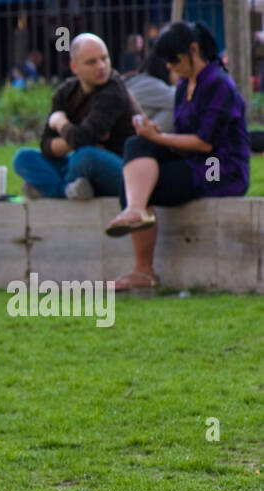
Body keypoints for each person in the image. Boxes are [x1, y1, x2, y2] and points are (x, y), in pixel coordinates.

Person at [105, 21, 250, 291]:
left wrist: (159, 138)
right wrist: (155, 136)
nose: (169, 66)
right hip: (195, 159)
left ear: (193, 50)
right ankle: (135, 211)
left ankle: (144, 268)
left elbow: (206, 144)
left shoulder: (219, 85)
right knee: (136, 147)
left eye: (173, 59)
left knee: (142, 182)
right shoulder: (184, 87)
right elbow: (184, 139)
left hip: (218, 168)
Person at [12, 33, 134, 201]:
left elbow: (82, 141)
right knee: (23, 158)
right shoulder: (65, 93)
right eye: (91, 62)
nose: (101, 66)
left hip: (123, 169)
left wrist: (60, 122)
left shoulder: (114, 90)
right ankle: (71, 190)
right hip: (78, 167)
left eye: (104, 59)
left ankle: (52, 190)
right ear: (74, 67)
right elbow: (46, 145)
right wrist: (77, 138)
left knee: (85, 156)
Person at [125, 51, 176, 132]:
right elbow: (180, 98)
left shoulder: (141, 79)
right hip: (132, 135)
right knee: (174, 110)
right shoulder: (152, 84)